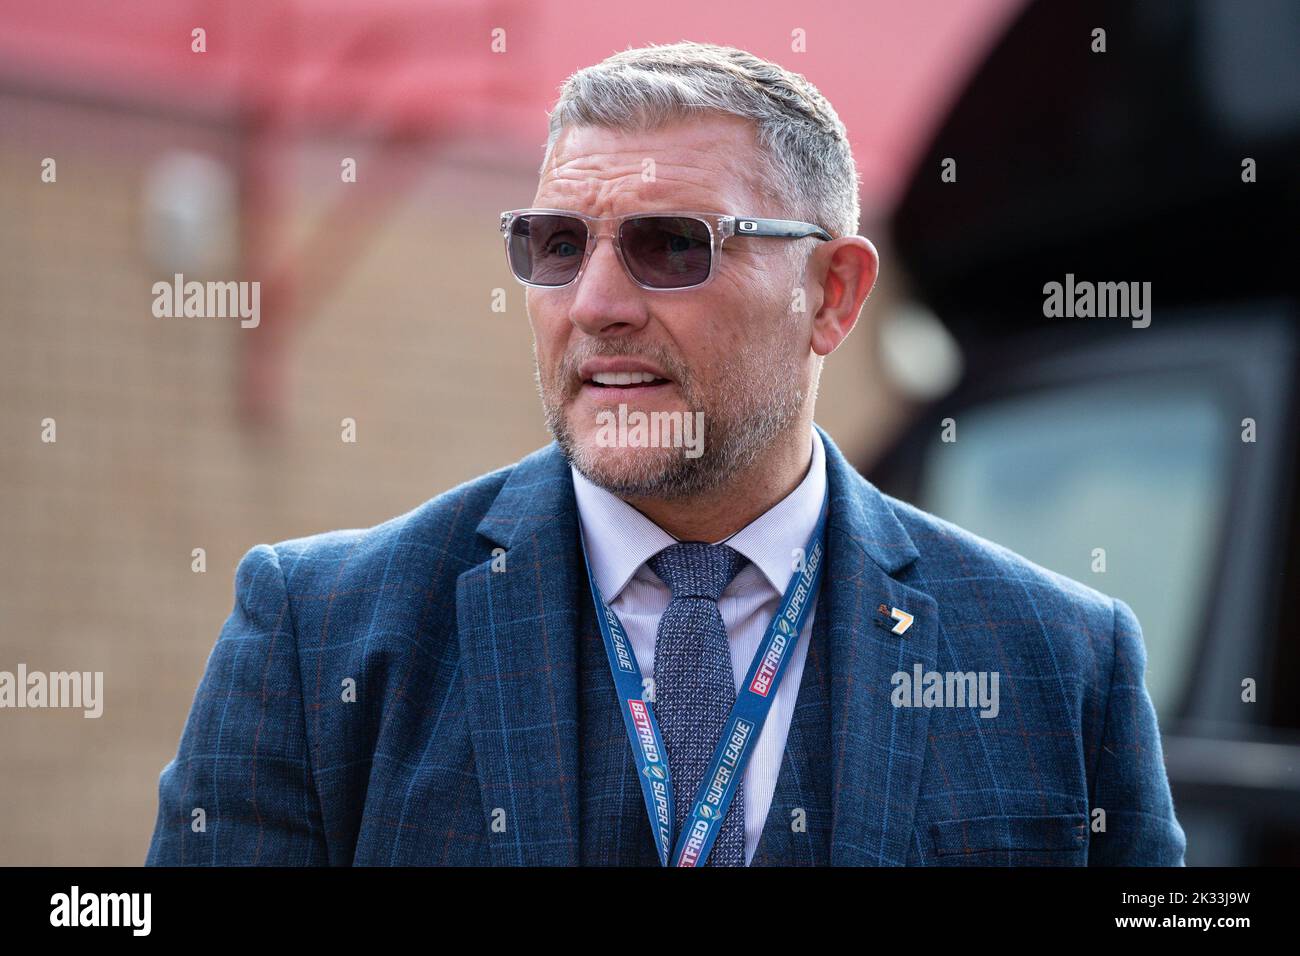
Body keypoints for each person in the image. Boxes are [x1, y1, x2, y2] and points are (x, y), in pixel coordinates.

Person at [147, 41, 1185, 866]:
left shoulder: (1059, 661)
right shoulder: (324, 634)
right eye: (557, 244)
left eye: (670, 244)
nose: (594, 305)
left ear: (831, 293)